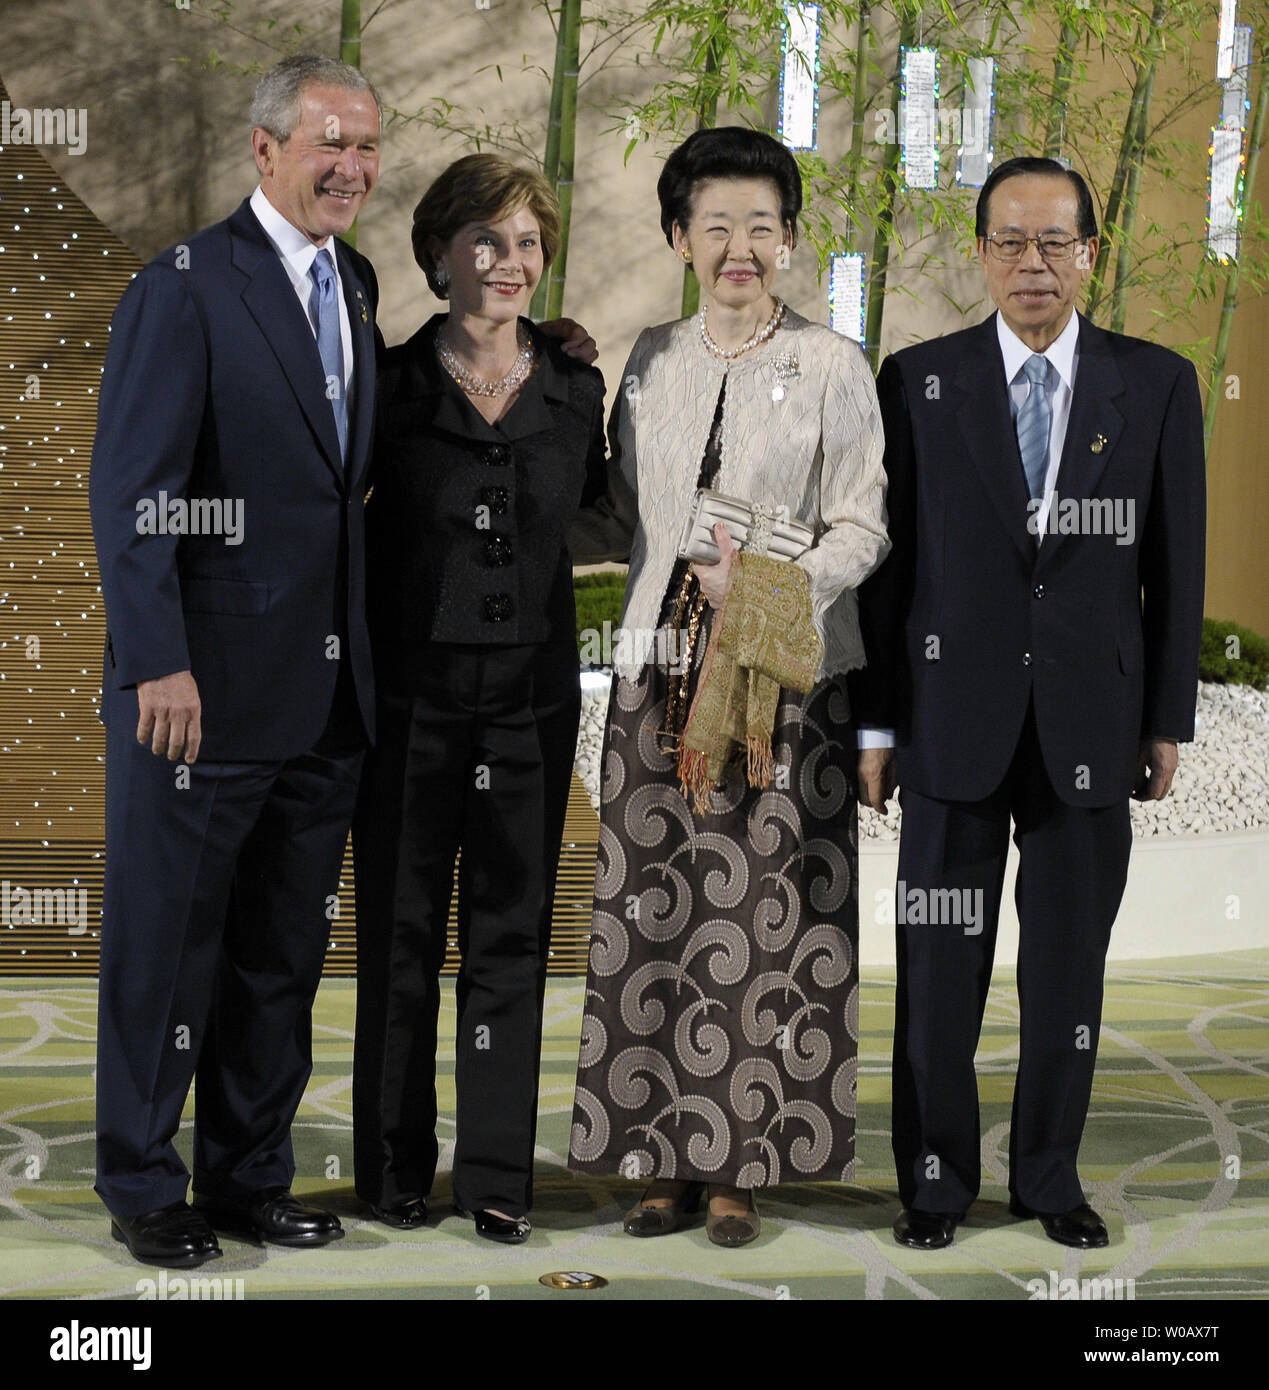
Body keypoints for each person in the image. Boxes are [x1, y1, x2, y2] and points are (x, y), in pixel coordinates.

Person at [88, 56, 594, 1270]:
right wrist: (157, 658)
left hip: (327, 700)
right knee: (169, 953)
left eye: (366, 148)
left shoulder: (353, 283)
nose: (350, 168)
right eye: (327, 143)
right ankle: (144, 1181)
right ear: (263, 151)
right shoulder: (187, 288)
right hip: (197, 700)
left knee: (278, 956)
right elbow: (132, 490)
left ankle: (250, 1173)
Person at [852, 156, 1206, 1252]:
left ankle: (1050, 1175)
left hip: (1090, 732)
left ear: (1090, 254)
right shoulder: (919, 379)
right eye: (1010, 240)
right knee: (937, 969)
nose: (1033, 263)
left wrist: (1166, 718)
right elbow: (885, 568)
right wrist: (876, 723)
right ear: (980, 251)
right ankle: (935, 1180)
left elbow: (1176, 567)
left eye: (1057, 242)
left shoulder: (1154, 382)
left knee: (1067, 973)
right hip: (951, 728)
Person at [567, 126, 890, 1247]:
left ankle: (743, 1157)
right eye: (716, 225)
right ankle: (657, 1158)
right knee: (651, 909)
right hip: (656, 674)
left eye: (762, 225)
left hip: (779, 677)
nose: (739, 245)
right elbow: (617, 514)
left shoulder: (836, 365)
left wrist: (767, 582)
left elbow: (865, 523)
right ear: (678, 238)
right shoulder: (649, 359)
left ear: (790, 241)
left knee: (765, 918)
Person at [351, 155, 608, 1244]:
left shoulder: (574, 386)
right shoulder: (387, 386)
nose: (511, 263)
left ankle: (495, 1174)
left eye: (529, 243)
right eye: (488, 242)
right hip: (411, 705)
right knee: (399, 939)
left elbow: (600, 521)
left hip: (533, 706)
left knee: (510, 940)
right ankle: (393, 1168)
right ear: (440, 253)